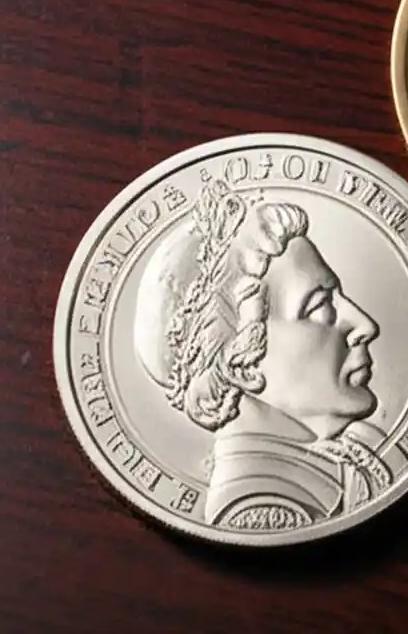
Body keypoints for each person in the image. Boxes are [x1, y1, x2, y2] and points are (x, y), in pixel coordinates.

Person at [136, 178, 389, 531]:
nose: (365, 324)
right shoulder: (263, 511)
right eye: (319, 306)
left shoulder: (338, 465)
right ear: (243, 366)